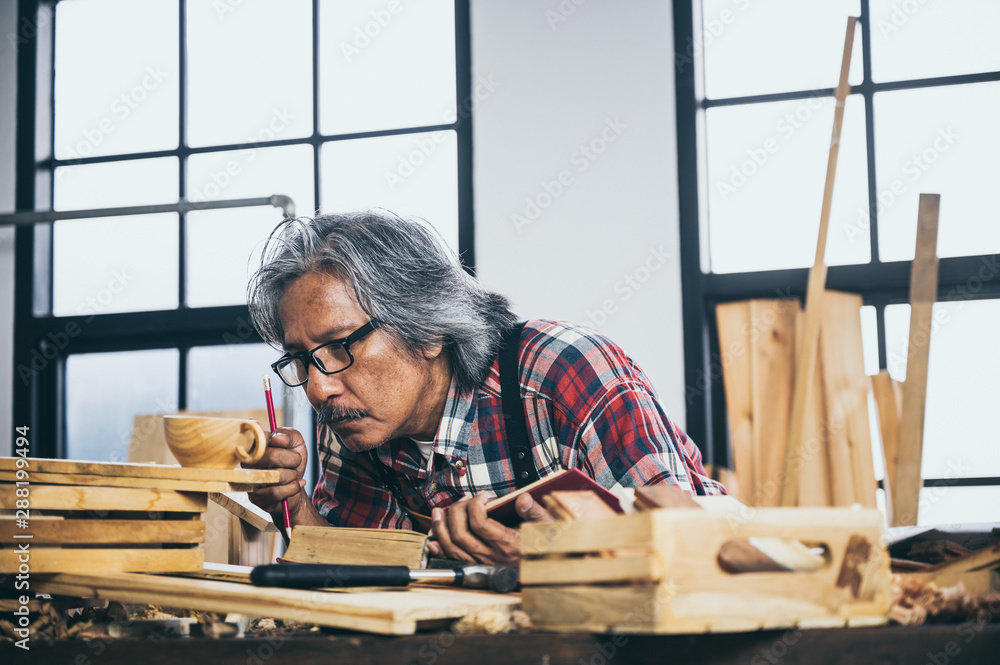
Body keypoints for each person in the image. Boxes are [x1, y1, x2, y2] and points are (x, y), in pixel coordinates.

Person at [245, 210, 725, 564]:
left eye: (339, 345)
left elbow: (690, 549)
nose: (318, 388)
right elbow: (356, 571)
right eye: (304, 360)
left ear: (427, 330)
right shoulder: (354, 418)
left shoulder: (564, 370)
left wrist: (541, 567)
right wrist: (293, 505)